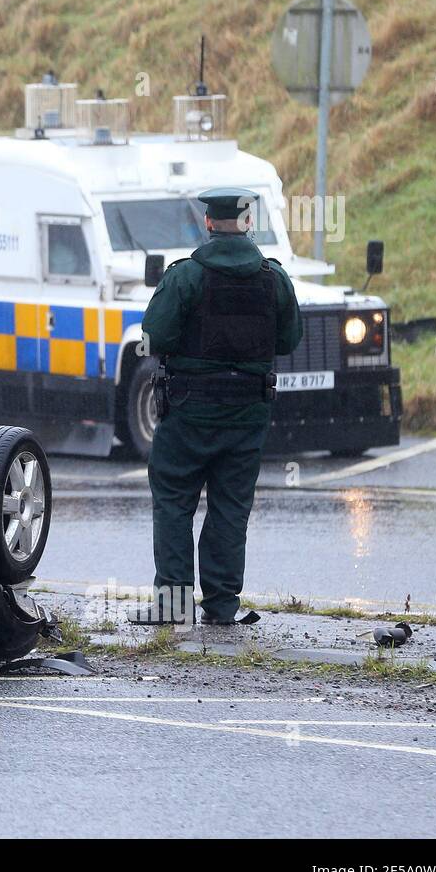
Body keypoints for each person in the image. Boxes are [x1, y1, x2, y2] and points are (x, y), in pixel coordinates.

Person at [131, 187, 302, 627]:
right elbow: (288, 340)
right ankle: (223, 606)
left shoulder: (185, 276)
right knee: (230, 507)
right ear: (249, 223)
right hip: (248, 414)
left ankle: (172, 605)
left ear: (208, 223)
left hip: (188, 412)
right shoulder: (274, 278)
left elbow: (155, 337)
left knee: (173, 500)